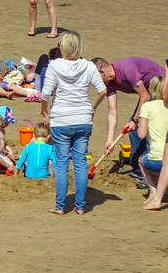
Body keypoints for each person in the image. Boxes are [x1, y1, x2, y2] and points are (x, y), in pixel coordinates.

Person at [40, 30, 106, 215]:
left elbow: (45, 94)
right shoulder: (89, 66)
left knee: (61, 164)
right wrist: (92, 109)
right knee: (80, 163)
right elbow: (102, 91)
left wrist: (44, 110)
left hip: (61, 119)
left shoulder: (54, 65)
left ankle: (60, 206)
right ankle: (81, 206)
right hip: (83, 118)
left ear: (64, 47)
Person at [92, 54, 165, 183]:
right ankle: (139, 170)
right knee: (133, 132)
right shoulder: (110, 84)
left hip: (161, 88)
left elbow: (145, 96)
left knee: (146, 131)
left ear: (102, 72)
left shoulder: (126, 69)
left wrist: (135, 120)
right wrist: (109, 141)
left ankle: (152, 175)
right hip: (148, 94)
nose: (96, 83)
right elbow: (112, 112)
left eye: (96, 79)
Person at [137, 77, 168, 201]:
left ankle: (153, 189)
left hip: (158, 160)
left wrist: (140, 122)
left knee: (141, 160)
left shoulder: (148, 106)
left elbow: (141, 134)